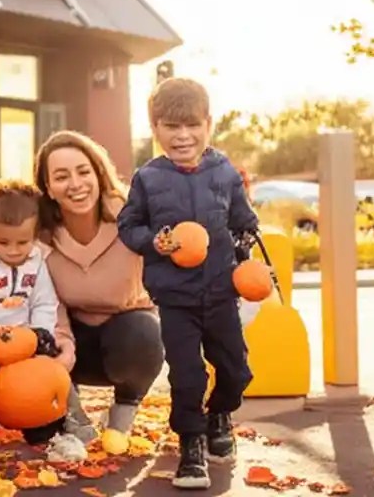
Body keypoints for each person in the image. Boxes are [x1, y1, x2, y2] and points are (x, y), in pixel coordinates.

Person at [117, 77, 261, 490]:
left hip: (220, 293)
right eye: (170, 126)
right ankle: (191, 444)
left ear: (208, 124)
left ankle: (220, 414)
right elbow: (128, 226)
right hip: (175, 298)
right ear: (155, 129)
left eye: (191, 125)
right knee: (187, 375)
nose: (182, 136)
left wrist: (249, 242)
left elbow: (242, 219)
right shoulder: (148, 178)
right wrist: (154, 242)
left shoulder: (223, 171)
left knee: (236, 369)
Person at [0, 179, 97, 446]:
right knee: (0, 391)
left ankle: (69, 419)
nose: (12, 251)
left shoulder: (36, 265)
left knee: (49, 373)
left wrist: (39, 337)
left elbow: (44, 304)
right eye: (3, 242)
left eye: (22, 242)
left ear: (35, 236)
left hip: (26, 343)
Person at [34, 130, 165, 438]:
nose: (76, 184)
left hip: (126, 337)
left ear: (99, 173)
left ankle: (124, 408)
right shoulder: (40, 235)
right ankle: (72, 415)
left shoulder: (133, 216)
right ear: (48, 188)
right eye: (62, 176)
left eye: (83, 171)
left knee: (144, 331)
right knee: (30, 333)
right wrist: (62, 342)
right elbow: (45, 300)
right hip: (72, 341)